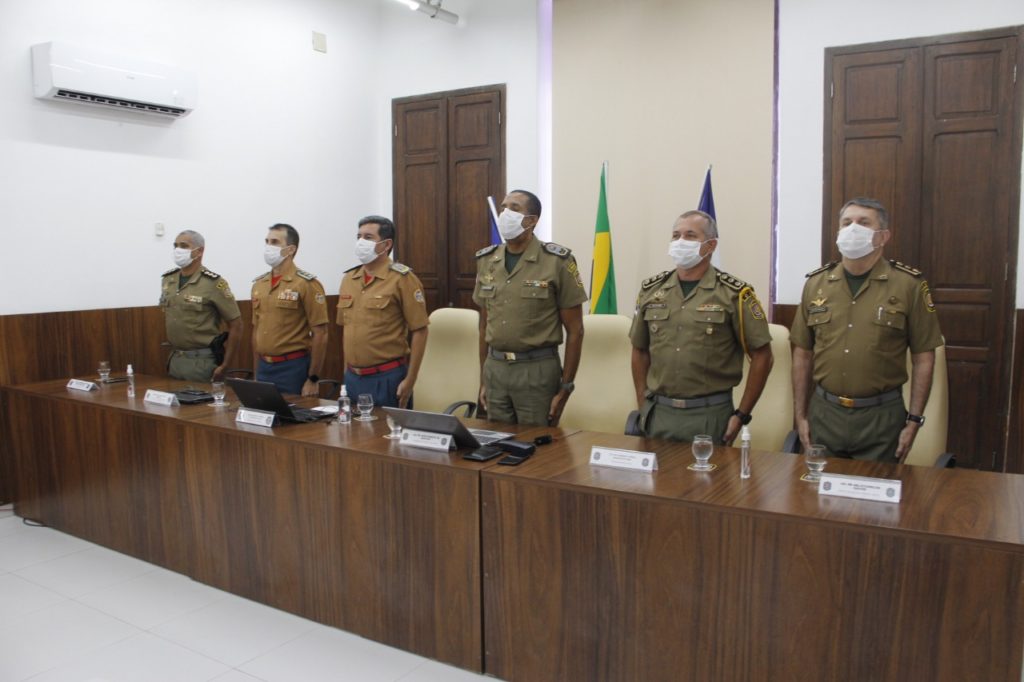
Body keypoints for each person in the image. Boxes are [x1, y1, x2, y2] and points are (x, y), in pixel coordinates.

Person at [791, 197, 943, 462]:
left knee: (875, 499)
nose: (853, 229)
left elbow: (924, 358)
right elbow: (802, 354)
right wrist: (800, 416)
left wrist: (914, 421)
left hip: (881, 419)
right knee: (817, 499)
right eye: (846, 222)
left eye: (863, 223)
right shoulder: (816, 284)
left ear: (882, 236)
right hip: (825, 414)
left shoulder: (909, 285)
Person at [630, 210, 774, 445]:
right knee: (657, 481)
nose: (680, 242)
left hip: (710, 414)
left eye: (690, 236)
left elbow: (763, 356)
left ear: (710, 245)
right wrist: (642, 402)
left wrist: (741, 415)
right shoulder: (651, 291)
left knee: (709, 481)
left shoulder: (734, 294)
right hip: (659, 412)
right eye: (675, 236)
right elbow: (639, 350)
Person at [472, 190, 587, 426]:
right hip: (496, 369)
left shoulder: (557, 261)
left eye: (514, 208)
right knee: (497, 448)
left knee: (537, 450)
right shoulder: (487, 260)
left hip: (536, 370)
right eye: (504, 207)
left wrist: (566, 387)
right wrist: (484, 378)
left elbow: (576, 331)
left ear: (532, 220)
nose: (505, 213)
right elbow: (484, 325)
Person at [337, 215, 429, 408]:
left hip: (386, 378)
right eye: (359, 236)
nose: (361, 242)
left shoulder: (402, 278)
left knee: (387, 437)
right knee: (352, 437)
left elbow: (420, 330)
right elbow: (346, 329)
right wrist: (346, 375)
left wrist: (410, 380)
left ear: (386, 245)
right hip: (353, 378)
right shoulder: (349, 279)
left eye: (368, 237)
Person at [251, 223, 329, 396]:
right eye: (267, 241)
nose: (268, 247)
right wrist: (256, 373)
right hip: (264, 367)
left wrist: (313, 378)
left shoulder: (306, 284)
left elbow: (321, 334)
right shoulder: (259, 284)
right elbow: (256, 330)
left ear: (290, 249)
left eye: (275, 242)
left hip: (292, 368)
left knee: (293, 420)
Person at [160, 230, 242, 382]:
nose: (178, 250)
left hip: (202, 361)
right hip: (175, 359)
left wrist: (225, 365)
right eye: (175, 245)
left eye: (184, 246)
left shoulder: (213, 283)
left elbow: (236, 324)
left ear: (199, 251)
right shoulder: (168, 280)